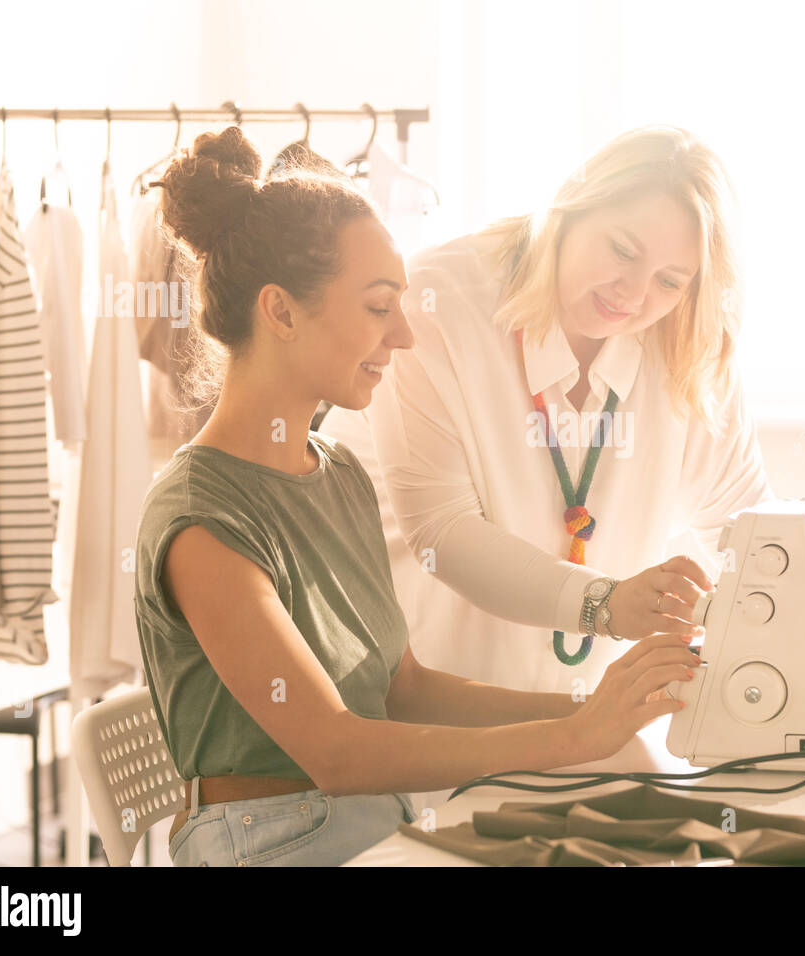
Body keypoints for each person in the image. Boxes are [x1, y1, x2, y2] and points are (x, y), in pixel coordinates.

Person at [133, 127, 701, 867]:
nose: (403, 336)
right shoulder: (202, 520)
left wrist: (597, 714)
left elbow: (405, 690)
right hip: (268, 843)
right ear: (279, 312)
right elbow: (336, 750)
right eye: (377, 308)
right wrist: (575, 737)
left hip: (377, 823)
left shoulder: (333, 475)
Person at [320, 125, 805, 740]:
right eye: (622, 249)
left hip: (600, 730)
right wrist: (608, 603)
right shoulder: (440, 301)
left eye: (670, 280)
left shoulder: (685, 338)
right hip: (441, 729)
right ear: (572, 203)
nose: (633, 294)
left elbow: (760, 542)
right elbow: (442, 532)